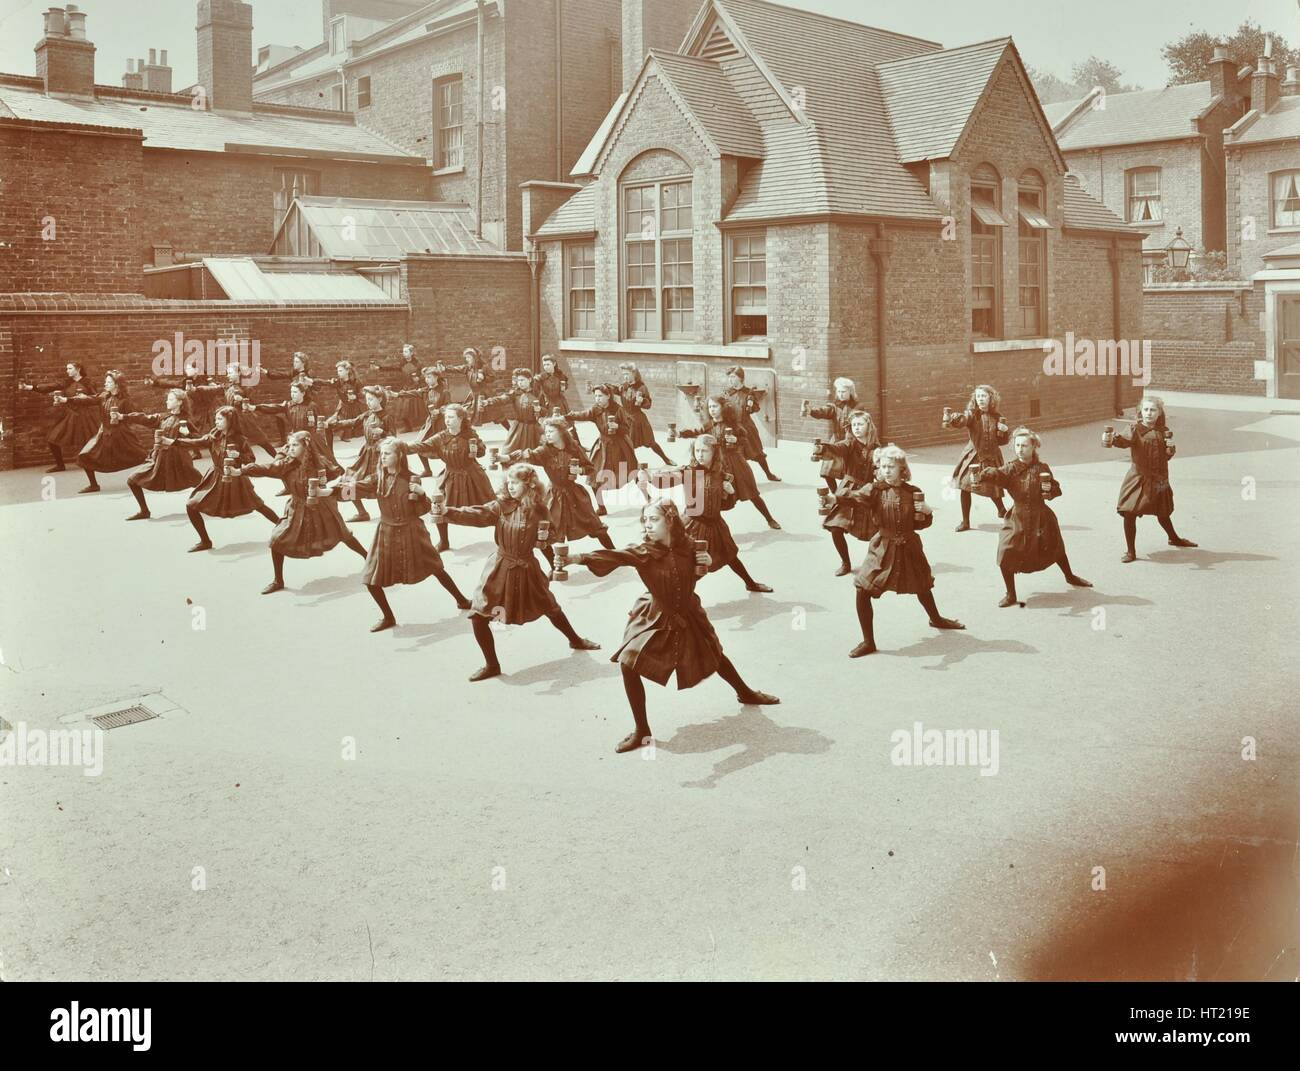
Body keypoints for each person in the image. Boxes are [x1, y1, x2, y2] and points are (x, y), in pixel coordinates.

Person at [567, 499, 780, 754]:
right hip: (656, 615)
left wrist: (707, 561)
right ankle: (642, 730)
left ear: (670, 520)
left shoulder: (689, 546)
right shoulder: (644, 551)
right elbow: (615, 556)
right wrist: (577, 557)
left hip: (689, 612)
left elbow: (695, 573)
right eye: (645, 520)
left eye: (654, 519)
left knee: (714, 654)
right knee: (628, 664)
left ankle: (745, 692)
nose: (648, 525)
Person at [438, 462, 599, 681]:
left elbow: (550, 534)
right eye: (509, 482)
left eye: (516, 483)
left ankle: (575, 639)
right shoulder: (501, 506)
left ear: (529, 485)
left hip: (527, 567)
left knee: (550, 607)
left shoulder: (540, 509)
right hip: (500, 567)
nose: (510, 486)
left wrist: (548, 542)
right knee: (478, 615)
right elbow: (477, 514)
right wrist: (448, 512)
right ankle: (492, 665)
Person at [840, 444, 964, 656]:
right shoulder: (874, 490)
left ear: (902, 469)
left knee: (923, 585)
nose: (887, 470)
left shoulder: (912, 492)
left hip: (909, 546)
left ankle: (936, 619)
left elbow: (921, 524)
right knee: (863, 589)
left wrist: (927, 511)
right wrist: (834, 498)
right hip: (882, 547)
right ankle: (868, 642)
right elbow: (853, 497)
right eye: (883, 466)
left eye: (892, 466)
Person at [344, 438, 471, 631]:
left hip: (412, 530)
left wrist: (421, 494)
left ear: (399, 456)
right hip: (385, 532)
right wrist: (328, 491)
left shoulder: (411, 479)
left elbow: (423, 510)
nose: (382, 458)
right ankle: (388, 617)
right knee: (370, 577)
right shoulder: (377, 478)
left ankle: (461, 600)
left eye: (387, 454)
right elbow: (354, 490)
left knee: (435, 567)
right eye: (381, 454)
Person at [233, 431, 369, 594]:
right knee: (277, 539)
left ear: (306, 446)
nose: (290, 448)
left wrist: (329, 489)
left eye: (295, 445)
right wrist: (241, 471)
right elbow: (265, 468)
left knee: (343, 534)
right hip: (296, 507)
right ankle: (278, 580)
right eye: (289, 445)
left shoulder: (320, 463)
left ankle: (369, 558)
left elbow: (339, 474)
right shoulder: (285, 465)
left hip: (322, 506)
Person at [977, 428, 1092, 606]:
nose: (1020, 449)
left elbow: (1055, 489)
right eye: (1017, 445)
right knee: (1006, 550)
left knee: (1055, 548)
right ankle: (1011, 594)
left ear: (1034, 447)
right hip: (1018, 516)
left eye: (1024, 445)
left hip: (1042, 516)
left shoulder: (1042, 468)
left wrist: (1050, 490)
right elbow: (998, 474)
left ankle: (1070, 576)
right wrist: (984, 474)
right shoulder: (1011, 468)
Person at [643, 434, 772, 592]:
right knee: (692, 565)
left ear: (714, 452)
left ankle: (750, 584)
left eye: (704, 451)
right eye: (697, 450)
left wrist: (730, 493)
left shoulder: (721, 475)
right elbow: (665, 480)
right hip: (694, 525)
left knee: (730, 555)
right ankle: (666, 596)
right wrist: (649, 477)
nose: (700, 455)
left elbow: (725, 506)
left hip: (716, 524)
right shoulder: (688, 472)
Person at [504, 417, 614, 567]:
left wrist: (580, 470)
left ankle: (616, 555)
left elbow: (590, 467)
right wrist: (507, 457)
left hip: (575, 495)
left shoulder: (573, 447)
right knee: (547, 533)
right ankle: (554, 566)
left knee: (596, 528)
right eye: (546, 431)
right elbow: (528, 454)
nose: (547, 434)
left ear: (561, 432)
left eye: (551, 431)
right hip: (554, 496)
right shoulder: (544, 450)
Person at [174, 405, 280, 552]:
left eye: (219, 419)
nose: (215, 421)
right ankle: (205, 541)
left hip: (236, 477)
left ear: (229, 421)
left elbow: (251, 460)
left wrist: (239, 456)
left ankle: (283, 526)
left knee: (258, 505)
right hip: (215, 476)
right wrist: (174, 442)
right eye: (215, 418)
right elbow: (198, 442)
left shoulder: (240, 439)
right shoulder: (214, 435)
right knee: (192, 505)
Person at [1105, 396, 1197, 562]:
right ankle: (1131, 551)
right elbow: (1122, 441)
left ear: (1159, 412)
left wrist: (1170, 450)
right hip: (1138, 478)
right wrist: (1111, 439)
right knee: (1129, 512)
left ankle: (1174, 538)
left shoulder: (1163, 431)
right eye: (1146, 409)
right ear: (1141, 411)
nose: (1149, 413)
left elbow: (1166, 456)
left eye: (1153, 410)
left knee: (1162, 512)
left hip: (1159, 478)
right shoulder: (1134, 430)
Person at [680, 396, 780, 529]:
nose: (712, 410)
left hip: (737, 463)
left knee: (752, 494)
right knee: (712, 496)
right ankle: (702, 526)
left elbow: (745, 439)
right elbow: (698, 433)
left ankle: (770, 519)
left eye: (715, 406)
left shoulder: (733, 425)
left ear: (723, 407)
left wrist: (735, 440)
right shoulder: (708, 425)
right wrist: (684, 433)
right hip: (718, 465)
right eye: (710, 407)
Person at [412, 403, 494, 551]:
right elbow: (422, 446)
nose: (447, 420)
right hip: (450, 475)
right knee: (438, 506)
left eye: (451, 417)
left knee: (489, 509)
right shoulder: (441, 437)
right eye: (446, 417)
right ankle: (444, 542)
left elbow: (482, 452)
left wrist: (477, 449)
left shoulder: (470, 434)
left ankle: (503, 536)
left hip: (473, 476)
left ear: (461, 418)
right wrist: (402, 448)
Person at [563, 384, 647, 516]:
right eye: (595, 396)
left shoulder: (618, 409)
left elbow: (626, 429)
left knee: (633, 471)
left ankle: (649, 499)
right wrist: (566, 417)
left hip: (620, 446)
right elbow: (582, 415)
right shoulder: (595, 410)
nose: (597, 399)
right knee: (593, 476)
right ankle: (601, 507)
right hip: (602, 446)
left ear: (608, 396)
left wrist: (617, 426)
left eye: (600, 396)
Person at [814, 409, 879, 575]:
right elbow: (837, 448)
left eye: (860, 424)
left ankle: (876, 562)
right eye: (854, 425)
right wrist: (822, 448)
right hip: (847, 490)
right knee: (836, 527)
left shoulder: (877, 448)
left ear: (868, 426)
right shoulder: (849, 444)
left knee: (877, 532)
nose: (857, 428)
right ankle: (845, 563)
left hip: (869, 492)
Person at [121, 388, 203, 520]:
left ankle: (215, 501)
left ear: (180, 402)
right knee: (132, 480)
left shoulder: (185, 420)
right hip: (159, 458)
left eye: (170, 399)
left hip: (179, 460)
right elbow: (145, 418)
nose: (167, 401)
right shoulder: (164, 416)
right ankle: (144, 511)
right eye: (168, 399)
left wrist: (187, 433)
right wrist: (124, 416)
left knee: (201, 483)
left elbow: (199, 439)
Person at [327, 385, 397, 522]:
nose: (368, 402)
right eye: (367, 400)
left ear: (380, 399)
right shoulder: (367, 415)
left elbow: (394, 438)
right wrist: (333, 424)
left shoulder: (387, 417)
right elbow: (353, 422)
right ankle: (362, 512)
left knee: (378, 483)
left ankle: (387, 513)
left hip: (381, 456)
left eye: (371, 399)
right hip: (366, 454)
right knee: (349, 478)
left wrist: (383, 433)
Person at [72, 370, 150, 493]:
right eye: (106, 381)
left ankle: (154, 477)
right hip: (103, 433)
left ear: (117, 384)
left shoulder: (125, 400)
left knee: (143, 456)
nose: (105, 384)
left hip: (121, 434)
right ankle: (94, 485)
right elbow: (90, 399)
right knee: (84, 456)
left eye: (108, 382)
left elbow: (131, 416)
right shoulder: (104, 395)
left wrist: (121, 417)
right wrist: (66, 400)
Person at [945, 384, 1009, 530]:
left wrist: (1005, 431)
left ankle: (1002, 510)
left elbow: (1002, 441)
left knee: (993, 486)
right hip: (973, 457)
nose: (980, 399)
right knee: (965, 487)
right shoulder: (972, 414)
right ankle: (965, 521)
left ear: (991, 398)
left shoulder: (998, 417)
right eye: (978, 396)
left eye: (984, 396)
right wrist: (954, 418)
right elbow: (962, 420)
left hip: (991, 456)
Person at [17, 361, 100, 471]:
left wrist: (86, 397)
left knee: (94, 441)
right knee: (53, 438)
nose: (67, 371)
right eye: (67, 369)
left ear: (78, 369)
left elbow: (96, 399)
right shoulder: (67, 382)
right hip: (71, 415)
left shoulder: (88, 382)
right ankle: (60, 465)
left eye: (70, 368)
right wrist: (29, 387)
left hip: (86, 416)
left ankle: (98, 463)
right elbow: (49, 387)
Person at [722, 366, 780, 482]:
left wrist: (751, 407)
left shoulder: (749, 392)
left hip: (747, 427)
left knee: (757, 453)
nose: (730, 380)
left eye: (733, 377)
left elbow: (756, 407)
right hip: (732, 427)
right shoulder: (727, 393)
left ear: (740, 378)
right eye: (729, 377)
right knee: (732, 454)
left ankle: (769, 474)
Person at [804, 377, 859, 492]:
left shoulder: (857, 408)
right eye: (838, 391)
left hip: (851, 445)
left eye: (843, 391)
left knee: (850, 477)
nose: (840, 394)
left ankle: (846, 498)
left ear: (851, 392)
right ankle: (836, 495)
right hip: (836, 442)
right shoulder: (835, 406)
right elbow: (824, 410)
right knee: (827, 473)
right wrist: (811, 411)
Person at [617, 362, 673, 464]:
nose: (625, 376)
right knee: (627, 444)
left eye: (627, 374)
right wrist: (599, 388)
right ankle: (631, 465)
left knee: (651, 442)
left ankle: (666, 459)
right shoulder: (623, 387)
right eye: (623, 374)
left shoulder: (641, 387)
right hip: (626, 420)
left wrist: (642, 401)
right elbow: (612, 389)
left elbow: (648, 405)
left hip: (639, 421)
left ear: (634, 374)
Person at [480, 367, 544, 454]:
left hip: (533, 428)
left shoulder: (538, 394)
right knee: (509, 452)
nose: (520, 383)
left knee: (536, 454)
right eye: (519, 380)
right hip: (518, 428)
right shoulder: (515, 393)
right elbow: (503, 399)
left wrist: (540, 409)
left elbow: (545, 410)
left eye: (522, 380)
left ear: (529, 379)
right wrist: (488, 401)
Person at [321, 360, 366, 448]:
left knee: (360, 429)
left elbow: (363, 394)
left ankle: (365, 450)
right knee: (328, 425)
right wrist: (311, 381)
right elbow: (325, 383)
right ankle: (329, 451)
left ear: (347, 371)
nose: (338, 373)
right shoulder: (338, 382)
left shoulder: (356, 382)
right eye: (337, 371)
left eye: (340, 371)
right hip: (343, 408)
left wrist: (356, 396)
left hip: (355, 409)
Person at [533, 354, 575, 428]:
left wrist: (563, 387)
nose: (546, 367)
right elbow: (535, 391)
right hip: (548, 404)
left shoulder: (561, 376)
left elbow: (564, 388)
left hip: (561, 403)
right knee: (549, 426)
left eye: (548, 364)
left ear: (554, 364)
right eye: (544, 365)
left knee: (564, 426)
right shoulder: (540, 378)